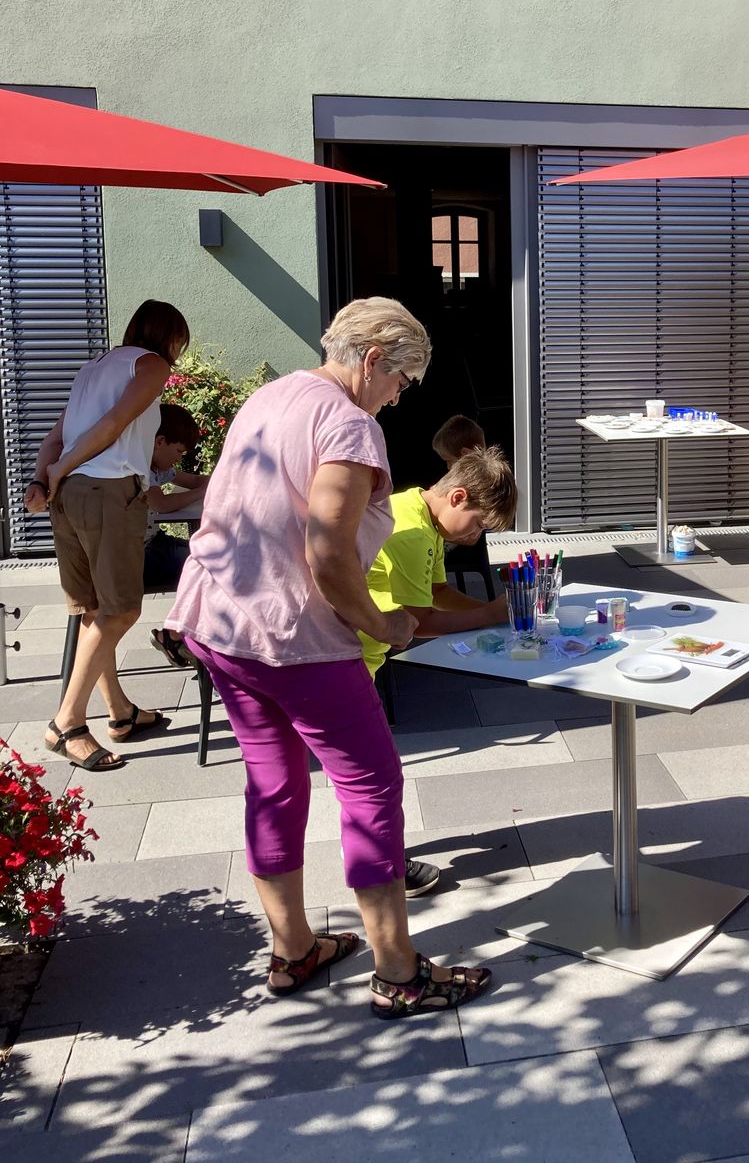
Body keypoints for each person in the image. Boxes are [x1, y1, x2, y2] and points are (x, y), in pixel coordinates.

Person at [165, 296, 493, 1019]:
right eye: (402, 380)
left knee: (274, 783)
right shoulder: (349, 424)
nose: (399, 396)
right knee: (371, 788)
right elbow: (328, 555)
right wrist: (384, 623)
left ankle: (293, 950)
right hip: (294, 639)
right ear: (373, 360)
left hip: (218, 622)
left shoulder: (273, 395)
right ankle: (398, 973)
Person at [25, 300, 190, 772]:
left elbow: (55, 437)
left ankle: (119, 712)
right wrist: (60, 468)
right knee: (121, 610)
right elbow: (114, 425)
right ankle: (67, 723)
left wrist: (43, 479)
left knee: (94, 610)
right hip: (107, 491)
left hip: (69, 497)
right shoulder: (151, 365)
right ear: (170, 336)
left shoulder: (93, 367)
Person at [360, 446, 516, 682]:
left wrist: (495, 614)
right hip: (351, 653)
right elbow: (421, 623)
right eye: (478, 524)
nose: (475, 537)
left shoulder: (420, 509)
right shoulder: (415, 536)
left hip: (359, 651)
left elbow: (438, 592)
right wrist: (489, 615)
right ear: (458, 498)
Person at [144, 403, 209, 592]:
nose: (179, 459)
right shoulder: (142, 469)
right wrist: (202, 492)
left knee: (205, 553)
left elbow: (194, 480)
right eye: (178, 451)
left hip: (155, 542)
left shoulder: (158, 468)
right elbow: (161, 504)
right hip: (142, 553)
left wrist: (223, 481)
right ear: (160, 442)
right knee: (208, 565)